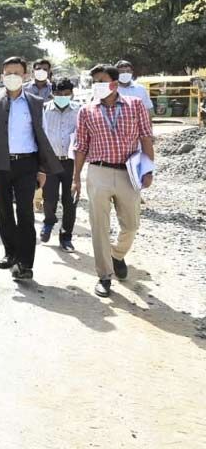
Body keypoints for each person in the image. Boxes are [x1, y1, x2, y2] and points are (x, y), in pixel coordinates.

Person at [0, 56, 62, 280]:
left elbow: (42, 136)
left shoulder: (34, 102)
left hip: (26, 163)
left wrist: (42, 169)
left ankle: (26, 263)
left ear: (25, 76)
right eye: (8, 73)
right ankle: (10, 253)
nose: (12, 77)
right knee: (3, 211)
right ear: (2, 76)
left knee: (25, 213)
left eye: (17, 73)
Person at [72, 64, 155, 298]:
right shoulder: (87, 111)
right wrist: (76, 178)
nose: (97, 85)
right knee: (99, 226)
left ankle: (117, 254)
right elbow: (81, 147)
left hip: (129, 172)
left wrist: (148, 170)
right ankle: (104, 275)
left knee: (131, 225)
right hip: (98, 171)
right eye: (94, 81)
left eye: (101, 80)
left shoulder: (135, 105)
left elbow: (146, 137)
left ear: (115, 84)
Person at [41, 78, 80, 251]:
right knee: (49, 198)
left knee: (69, 201)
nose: (62, 97)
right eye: (58, 94)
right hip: (50, 162)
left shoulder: (79, 111)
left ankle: (66, 236)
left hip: (70, 162)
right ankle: (49, 221)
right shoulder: (44, 110)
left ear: (71, 94)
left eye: (66, 94)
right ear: (53, 93)